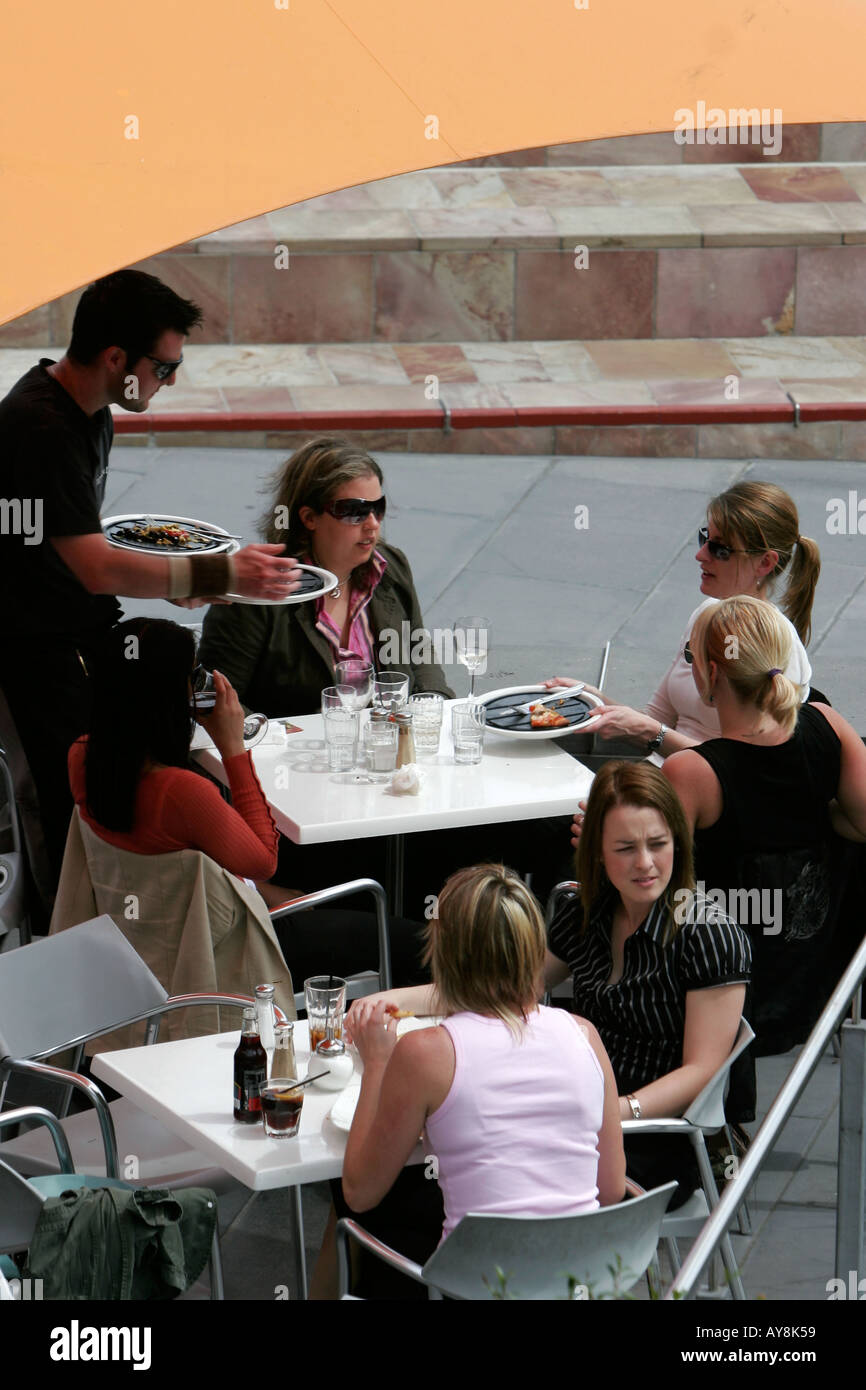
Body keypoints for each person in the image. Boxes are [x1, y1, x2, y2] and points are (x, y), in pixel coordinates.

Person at [0, 269, 300, 883]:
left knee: (110, 799)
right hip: (31, 656)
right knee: (61, 818)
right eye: (164, 368)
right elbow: (95, 565)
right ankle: (66, 929)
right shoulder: (41, 427)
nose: (171, 381)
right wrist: (219, 569)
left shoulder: (90, 416)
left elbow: (77, 543)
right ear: (116, 358)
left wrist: (181, 582)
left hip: (77, 639)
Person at [69, 617, 428, 987]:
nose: (201, 686)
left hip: (146, 940)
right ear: (170, 698)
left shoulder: (82, 757)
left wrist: (265, 892)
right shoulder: (181, 792)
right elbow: (263, 862)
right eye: (195, 678)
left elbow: (175, 856)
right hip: (236, 946)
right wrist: (233, 747)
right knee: (426, 944)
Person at [328, 864, 625, 1299]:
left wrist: (376, 1062)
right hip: (581, 1284)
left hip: (473, 1287)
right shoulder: (585, 1036)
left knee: (350, 1209)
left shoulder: (425, 1053)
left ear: (445, 953)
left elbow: (359, 1192)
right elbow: (610, 1189)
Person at [661, 595, 866, 1062]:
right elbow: (862, 823)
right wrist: (823, 818)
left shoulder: (691, 772)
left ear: (713, 674)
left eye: (692, 657)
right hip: (812, 981)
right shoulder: (827, 726)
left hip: (720, 995)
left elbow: (654, 889)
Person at [548, 761, 751, 1201]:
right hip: (580, 1108)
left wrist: (615, 1112)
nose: (645, 863)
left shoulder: (708, 934)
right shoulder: (588, 910)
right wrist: (402, 1003)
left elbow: (702, 1071)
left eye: (658, 844)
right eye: (625, 848)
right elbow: (505, 989)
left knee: (518, 1180)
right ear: (597, 852)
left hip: (660, 1136)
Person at [546, 480, 820, 758]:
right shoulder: (706, 614)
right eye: (705, 538)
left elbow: (752, 766)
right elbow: (655, 718)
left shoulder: (780, 647)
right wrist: (593, 700)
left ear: (765, 563)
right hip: (664, 774)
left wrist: (654, 733)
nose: (700, 555)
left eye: (720, 549)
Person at [198, 436, 453, 716]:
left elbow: (417, 648)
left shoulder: (391, 566)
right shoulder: (256, 591)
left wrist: (434, 704)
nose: (372, 524)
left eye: (377, 508)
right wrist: (270, 735)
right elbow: (213, 698)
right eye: (354, 512)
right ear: (309, 518)